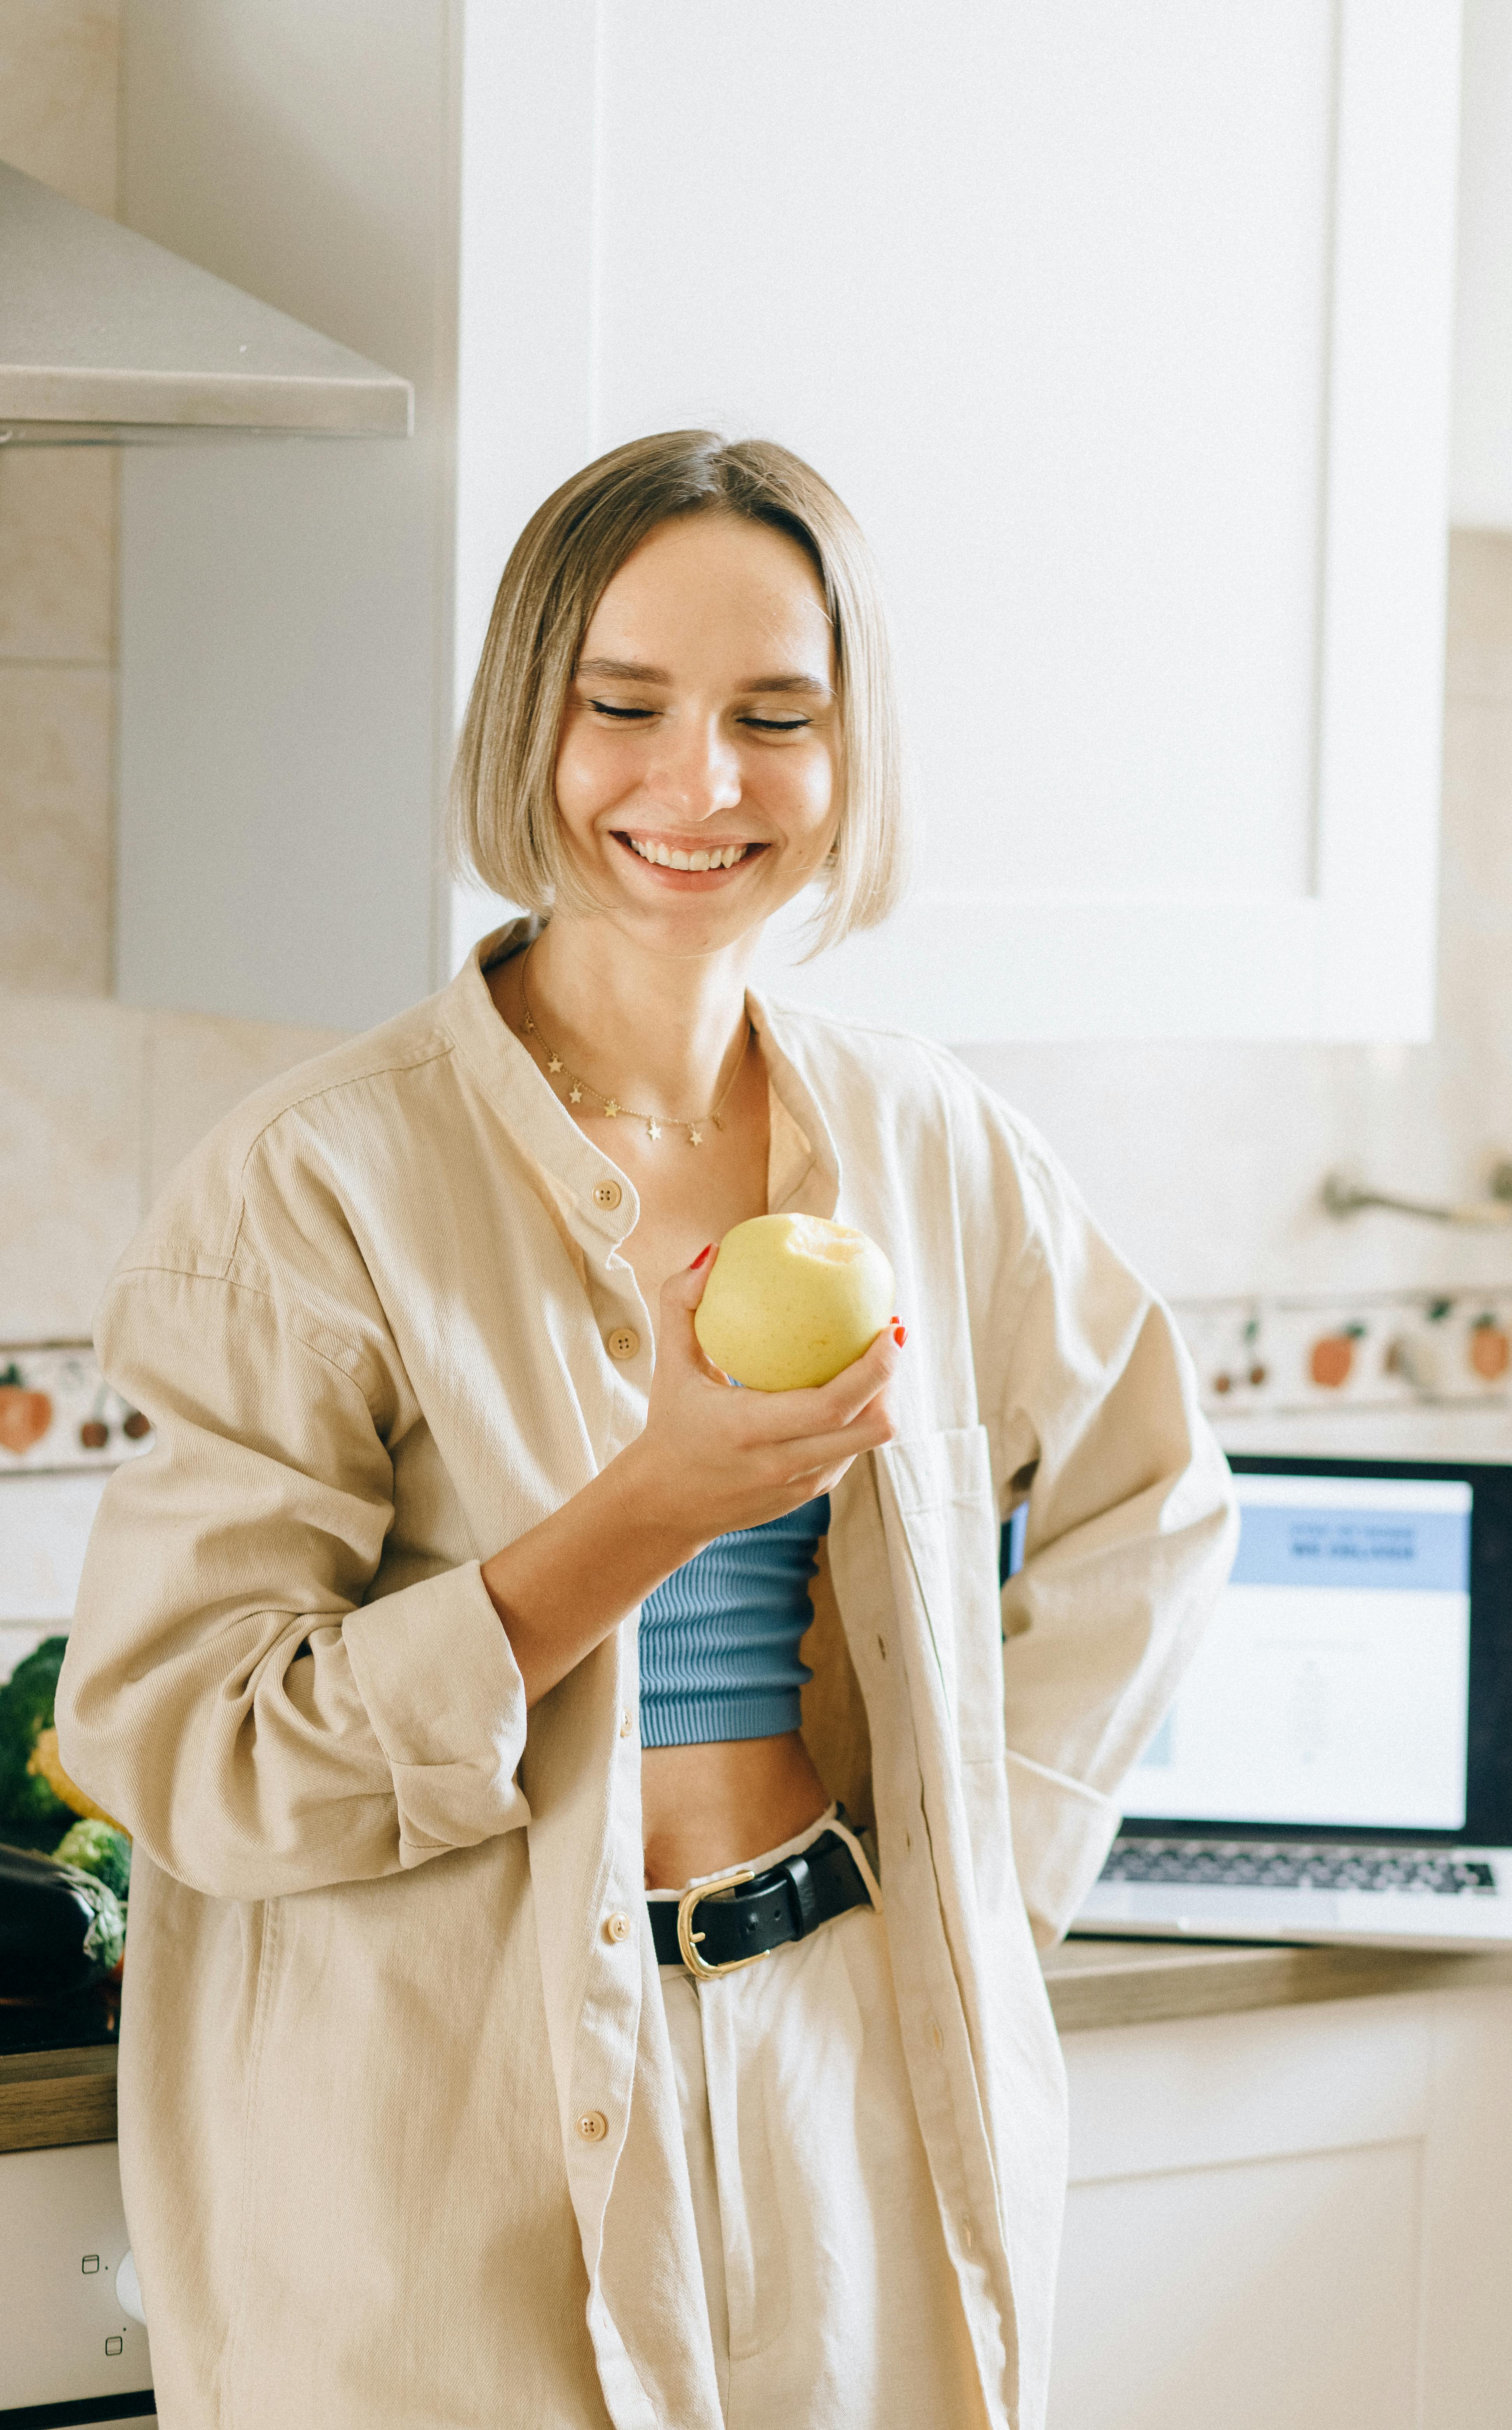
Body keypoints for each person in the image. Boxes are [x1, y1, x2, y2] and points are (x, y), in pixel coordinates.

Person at [58, 431, 1235, 2430]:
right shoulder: (315, 1186)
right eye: (627, 709)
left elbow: (1154, 1506)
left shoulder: (929, 1143)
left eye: (777, 719)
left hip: (837, 2074)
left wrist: (972, 1887)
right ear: (535, 721)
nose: (700, 786)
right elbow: (182, 1744)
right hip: (435, 2120)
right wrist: (648, 1510)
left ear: (848, 759)